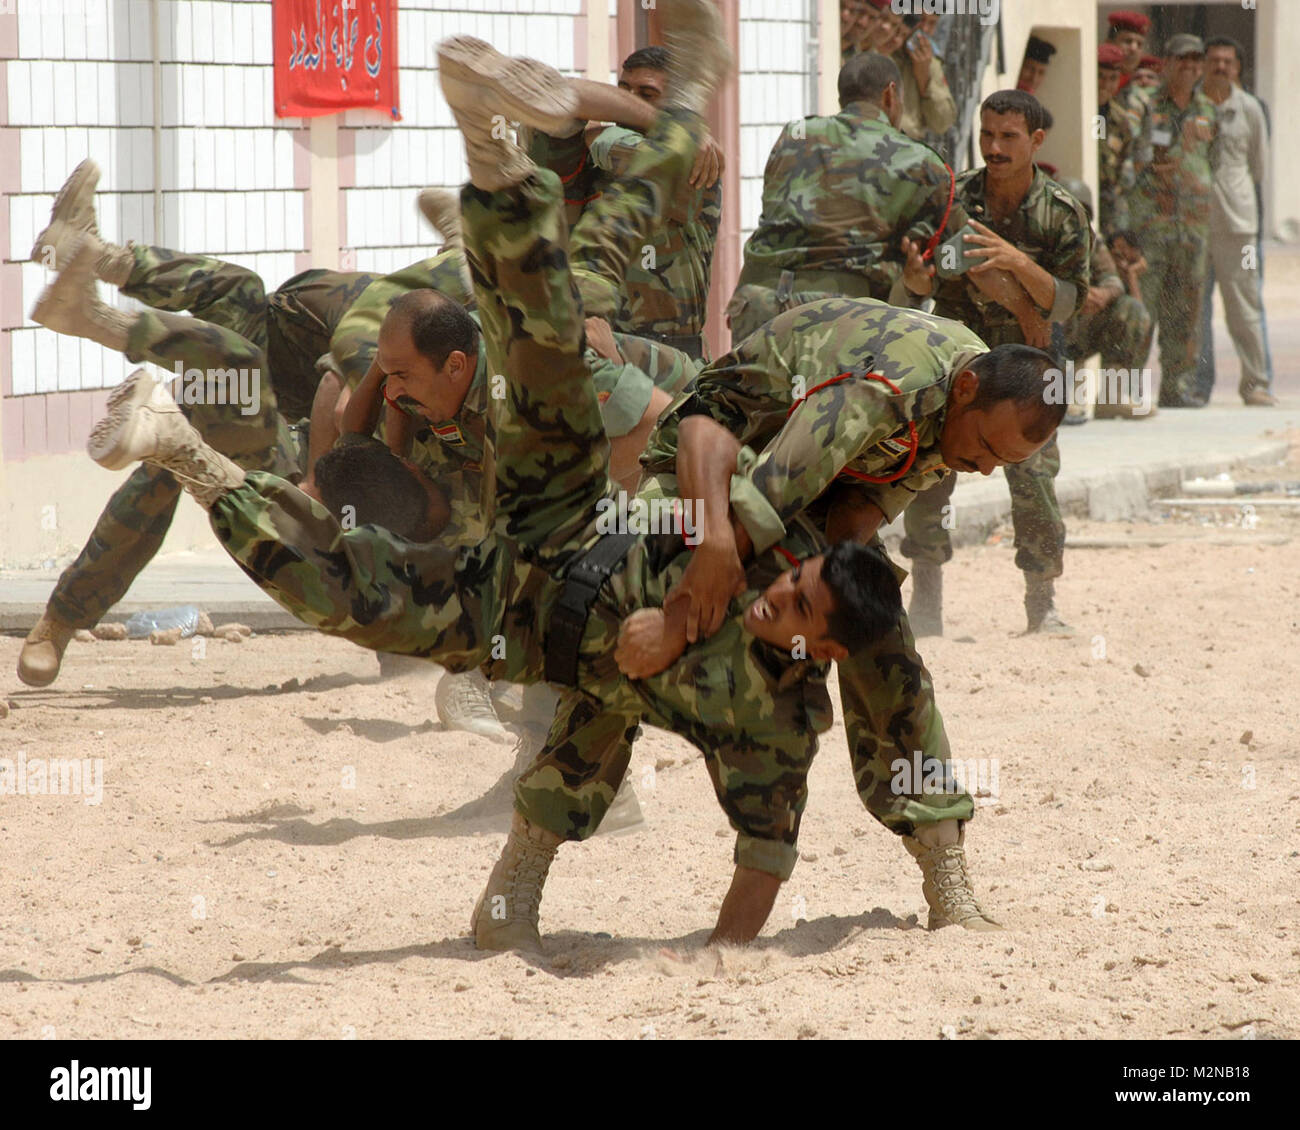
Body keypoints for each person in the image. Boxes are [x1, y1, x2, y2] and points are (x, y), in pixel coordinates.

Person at [84, 23, 912, 952]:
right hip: (571, 502)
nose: (775, 599)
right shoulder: (754, 548)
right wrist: (700, 546)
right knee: (553, 340)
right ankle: (497, 153)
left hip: (517, 613)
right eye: (792, 582)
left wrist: (719, 964)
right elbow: (693, 437)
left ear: (826, 652)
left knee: (347, 601)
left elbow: (759, 857)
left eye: (798, 608)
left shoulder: (782, 730)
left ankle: (182, 450)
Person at [18, 166, 376, 686]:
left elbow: (337, 406)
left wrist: (315, 488)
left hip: (304, 489)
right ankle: (96, 256)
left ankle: (59, 622)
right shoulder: (403, 308)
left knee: (227, 386)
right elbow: (321, 377)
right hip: (289, 411)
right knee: (239, 294)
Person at [895, 90, 1090, 638]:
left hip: (1032, 366)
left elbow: (1071, 300)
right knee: (931, 471)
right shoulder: (955, 198)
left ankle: (1041, 603)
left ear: (1035, 141)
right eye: (987, 135)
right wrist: (917, 282)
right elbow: (926, 276)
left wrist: (1017, 262)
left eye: (1008, 137)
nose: (995, 148)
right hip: (960, 357)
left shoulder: (1062, 211)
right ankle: (927, 602)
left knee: (1035, 480)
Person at [725, 52, 964, 343]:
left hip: (756, 303)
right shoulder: (921, 162)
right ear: (890, 95)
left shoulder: (794, 135)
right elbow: (942, 256)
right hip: (838, 316)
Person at [521, 46, 722, 360]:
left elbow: (645, 157)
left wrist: (597, 136)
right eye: (624, 91)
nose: (629, 103)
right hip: (597, 346)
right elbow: (560, 93)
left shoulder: (697, 162)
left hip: (670, 357)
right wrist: (643, 115)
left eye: (647, 94)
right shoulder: (591, 161)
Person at [1129, 34, 1218, 409]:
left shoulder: (1208, 109)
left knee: (1186, 310)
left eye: (1197, 59)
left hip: (1193, 228)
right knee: (1143, 308)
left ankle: (1176, 387)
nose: (1191, 66)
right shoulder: (1146, 105)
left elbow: (1215, 161)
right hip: (1152, 225)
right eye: (1183, 59)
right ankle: (1129, 389)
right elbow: (1131, 158)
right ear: (1167, 62)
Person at [1195, 36, 1275, 407]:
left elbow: (1258, 167)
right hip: (1195, 226)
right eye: (1214, 61)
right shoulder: (1189, 106)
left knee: (1245, 307)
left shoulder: (1251, 109)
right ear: (1204, 64)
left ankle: (1256, 383)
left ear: (1237, 67)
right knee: (1195, 310)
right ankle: (1195, 386)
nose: (1221, 67)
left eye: (1228, 61)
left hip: (1239, 228)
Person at [1056, 179, 1154, 421]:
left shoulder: (1092, 241)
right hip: (1047, 329)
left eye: (1082, 212)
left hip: (1078, 329)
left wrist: (1101, 295)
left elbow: (1113, 282)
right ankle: (1056, 402)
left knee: (1131, 310)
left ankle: (1112, 396)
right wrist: (1075, 296)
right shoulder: (1041, 239)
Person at [866, 0, 955, 144]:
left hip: (908, 147)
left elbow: (942, 122)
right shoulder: (882, 44)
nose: (924, 29)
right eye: (921, 20)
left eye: (932, 23)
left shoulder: (928, 59)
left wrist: (924, 77)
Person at [1097, 43, 1138, 241]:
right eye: (1100, 76)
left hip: (1109, 205)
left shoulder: (1121, 120)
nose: (1105, 84)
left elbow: (1125, 163)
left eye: (1113, 78)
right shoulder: (1079, 110)